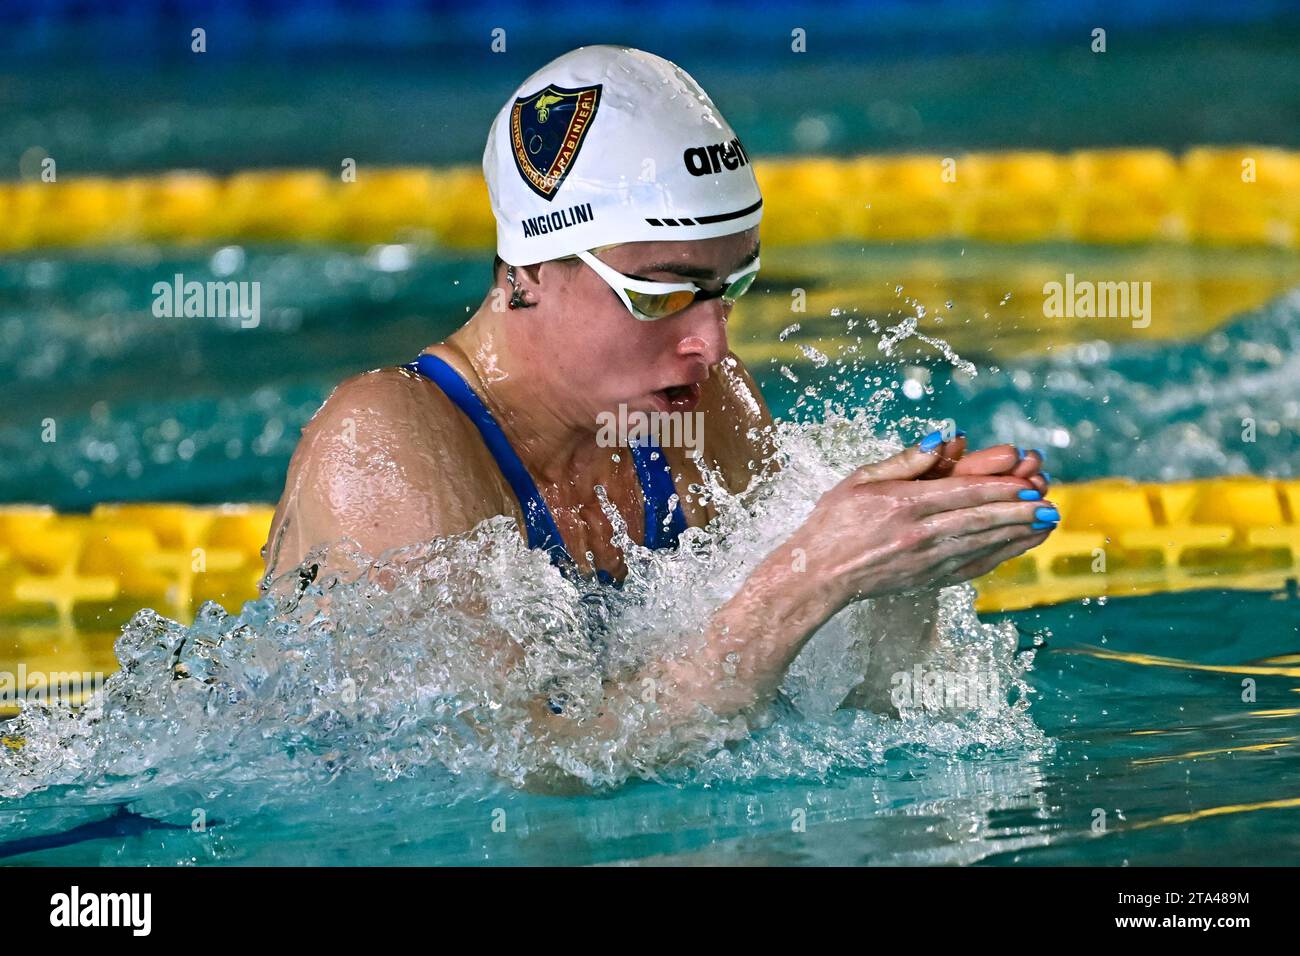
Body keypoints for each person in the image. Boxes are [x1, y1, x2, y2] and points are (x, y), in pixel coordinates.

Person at [262, 45, 1055, 745]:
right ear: (530, 273)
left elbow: (837, 719)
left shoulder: (699, 409)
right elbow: (515, 767)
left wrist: (901, 574)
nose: (712, 344)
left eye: (729, 288)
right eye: (660, 295)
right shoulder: (387, 443)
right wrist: (811, 574)